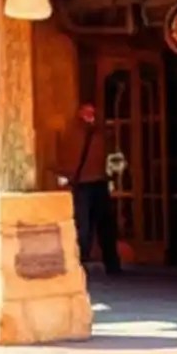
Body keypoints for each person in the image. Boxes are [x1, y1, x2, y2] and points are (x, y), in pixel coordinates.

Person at [60, 102, 122, 276]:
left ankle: (112, 263)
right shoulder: (74, 132)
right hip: (83, 184)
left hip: (99, 182)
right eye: (86, 111)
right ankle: (80, 262)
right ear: (79, 113)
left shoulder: (100, 131)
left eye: (92, 111)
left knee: (105, 225)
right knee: (83, 226)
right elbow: (67, 157)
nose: (90, 114)